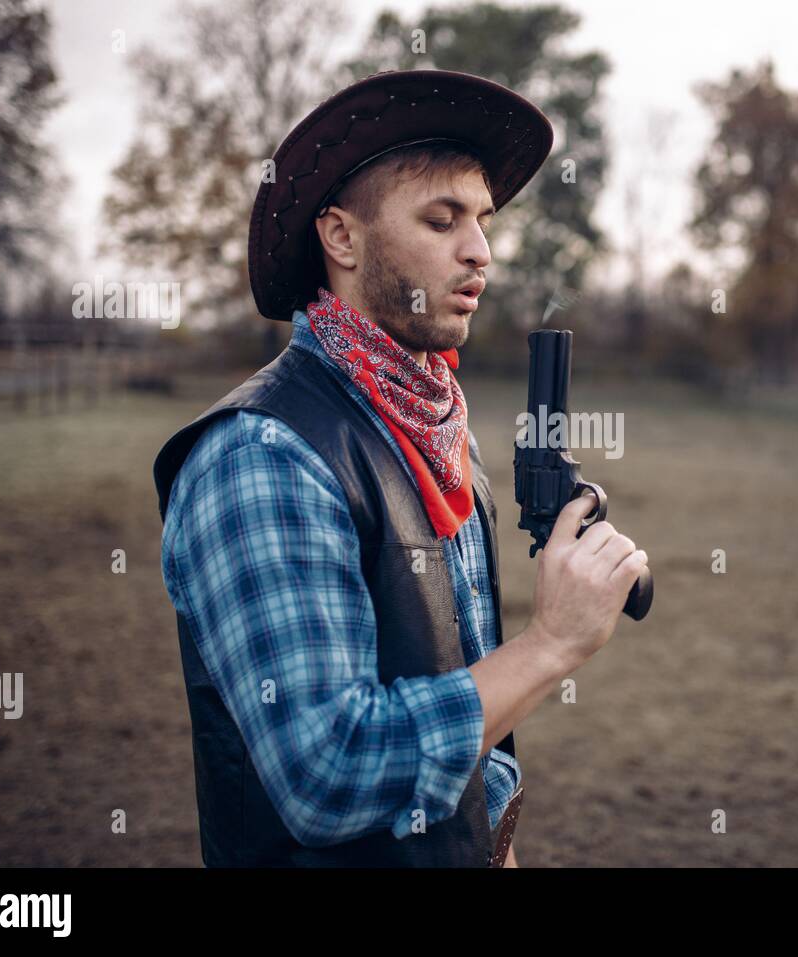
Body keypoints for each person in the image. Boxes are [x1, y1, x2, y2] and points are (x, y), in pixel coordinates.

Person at [152, 69, 648, 867]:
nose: (480, 251)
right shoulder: (261, 455)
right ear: (342, 238)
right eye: (442, 219)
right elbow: (330, 771)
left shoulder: (436, 426)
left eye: (484, 221)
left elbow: (465, 719)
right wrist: (552, 643)